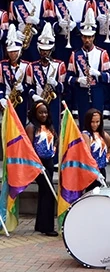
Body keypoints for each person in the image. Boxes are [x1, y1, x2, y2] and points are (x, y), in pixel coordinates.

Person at [66, 9, 110, 129]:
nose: (87, 40)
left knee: (98, 122)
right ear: (81, 37)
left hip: (97, 90)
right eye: (85, 37)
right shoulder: (75, 54)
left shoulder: (102, 53)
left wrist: (99, 74)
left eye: (90, 37)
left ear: (94, 37)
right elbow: (67, 77)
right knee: (83, 122)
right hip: (82, 92)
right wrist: (77, 80)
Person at [25, 100, 58, 236]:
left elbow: (56, 138)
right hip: (37, 164)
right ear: (35, 113)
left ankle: (40, 225)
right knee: (48, 192)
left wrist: (54, 149)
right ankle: (47, 227)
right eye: (40, 112)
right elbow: (28, 147)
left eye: (45, 112)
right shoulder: (31, 127)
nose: (43, 115)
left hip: (48, 162)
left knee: (45, 192)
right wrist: (36, 162)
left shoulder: (48, 126)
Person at [82, 108, 110, 189]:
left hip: (102, 169)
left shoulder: (102, 134)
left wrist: (107, 157)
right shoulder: (86, 134)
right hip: (91, 171)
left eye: (97, 122)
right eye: (92, 122)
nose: (95, 125)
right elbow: (87, 154)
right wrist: (94, 170)